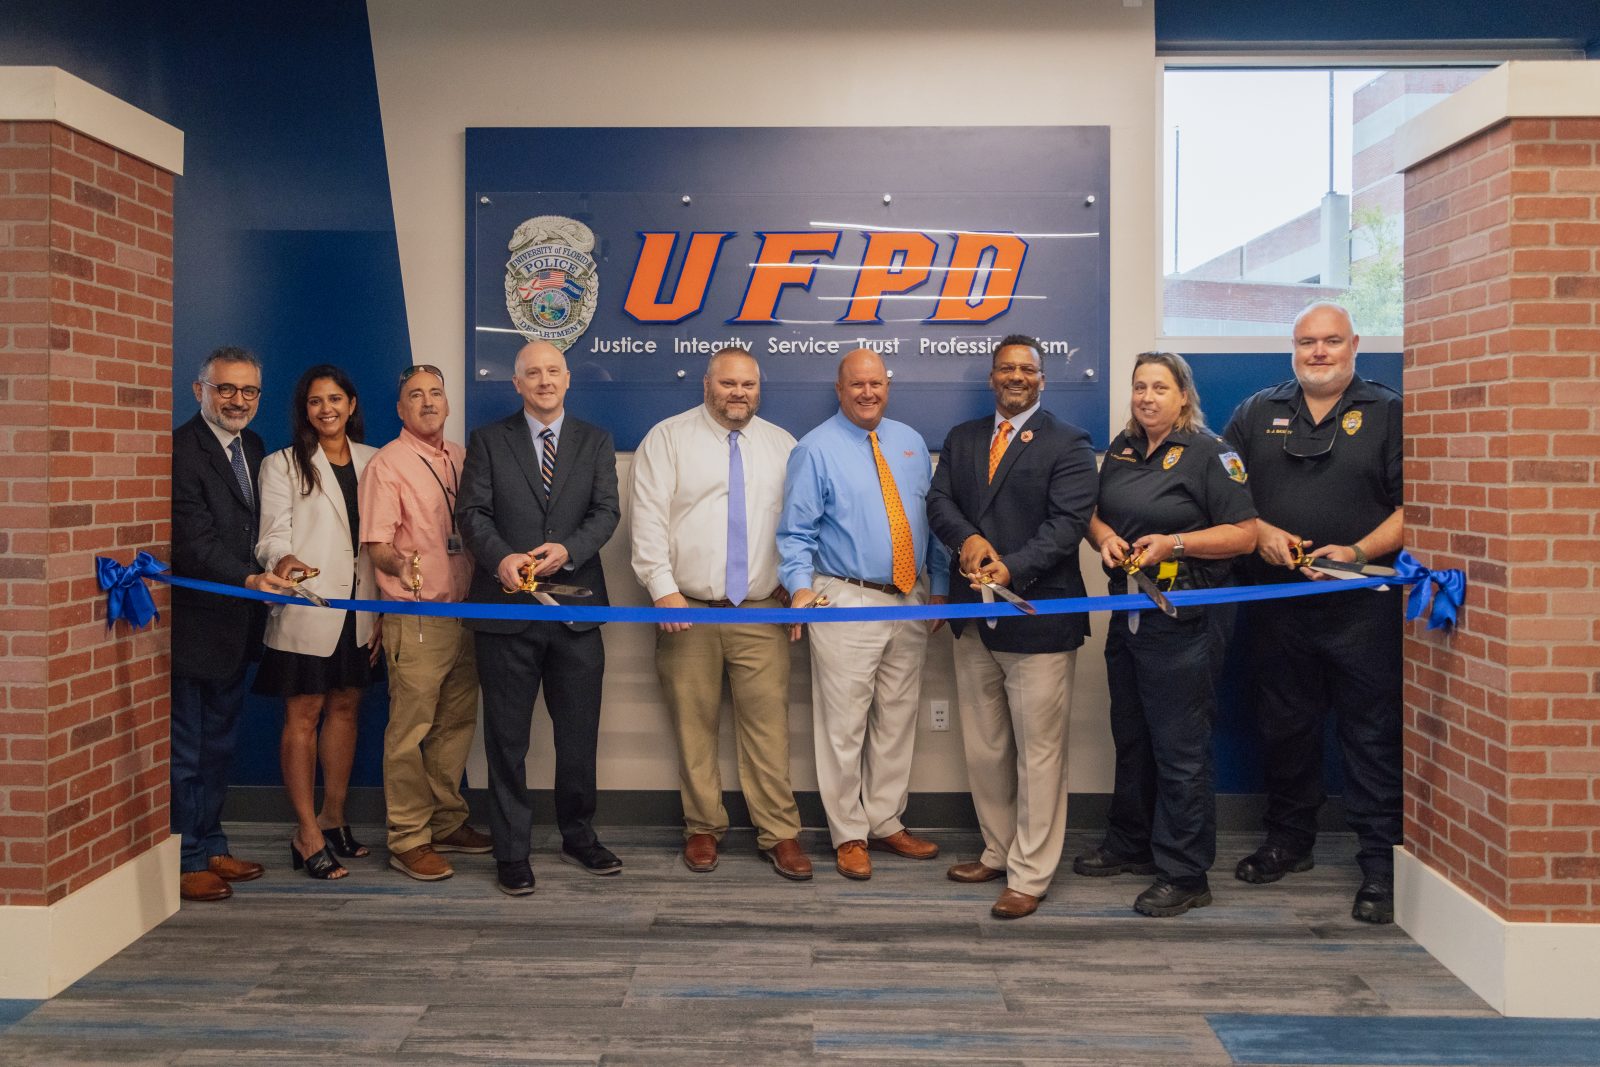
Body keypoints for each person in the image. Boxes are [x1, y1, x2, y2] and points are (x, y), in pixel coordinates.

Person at [1222, 302, 1405, 925]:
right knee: (1285, 729)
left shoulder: (1389, 412)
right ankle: (1288, 841)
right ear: (1293, 348)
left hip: (1363, 608)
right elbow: (1223, 496)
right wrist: (1261, 533)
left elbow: (1417, 506)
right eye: (1307, 342)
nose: (1318, 352)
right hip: (1280, 606)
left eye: (1330, 341)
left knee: (1372, 735)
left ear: (1354, 345)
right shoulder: (1256, 412)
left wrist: (1358, 552)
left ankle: (1381, 864)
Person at [1074, 351, 1256, 917]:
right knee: (1131, 733)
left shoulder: (1211, 453)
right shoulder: (1123, 448)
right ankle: (1131, 842)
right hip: (1129, 609)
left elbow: (1245, 534)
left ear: (1183, 396)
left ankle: (1184, 871)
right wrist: (1104, 538)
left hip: (1186, 617)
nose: (1146, 397)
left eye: (1159, 387)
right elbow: (1092, 513)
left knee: (1180, 748)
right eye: (1139, 387)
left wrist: (1175, 543)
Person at [927, 334, 1097, 919]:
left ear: (1042, 380)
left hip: (1038, 619)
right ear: (992, 377)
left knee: (1039, 756)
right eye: (1006, 368)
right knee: (986, 749)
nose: (1016, 377)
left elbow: (1067, 525)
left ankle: (1030, 874)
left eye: (1027, 369)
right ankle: (998, 852)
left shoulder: (1069, 443)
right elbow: (939, 503)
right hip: (974, 620)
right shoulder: (963, 438)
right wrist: (969, 540)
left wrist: (1011, 568)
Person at [629, 347, 811, 881]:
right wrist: (662, 590)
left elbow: (799, 527)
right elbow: (647, 521)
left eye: (748, 385)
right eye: (728, 383)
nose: (739, 393)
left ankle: (779, 833)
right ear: (706, 384)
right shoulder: (668, 438)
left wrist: (794, 587)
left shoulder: (783, 445)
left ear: (759, 389)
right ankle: (703, 827)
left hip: (762, 610)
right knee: (694, 726)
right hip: (686, 609)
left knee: (769, 729)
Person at [457, 340, 622, 896]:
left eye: (553, 371)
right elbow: (471, 513)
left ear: (568, 378)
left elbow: (606, 512)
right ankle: (511, 851)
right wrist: (501, 558)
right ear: (517, 383)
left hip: (576, 613)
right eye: (533, 373)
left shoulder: (595, 441)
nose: (544, 380)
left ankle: (579, 836)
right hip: (505, 613)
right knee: (507, 741)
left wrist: (569, 550)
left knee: (578, 737)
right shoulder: (487, 441)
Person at [778, 348, 950, 881]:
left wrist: (940, 587)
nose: (868, 392)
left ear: (887, 387)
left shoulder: (911, 443)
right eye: (857, 384)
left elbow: (932, 522)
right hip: (845, 598)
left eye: (876, 383)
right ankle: (849, 833)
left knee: (897, 718)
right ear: (840, 388)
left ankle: (885, 820)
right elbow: (795, 533)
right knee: (844, 725)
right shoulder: (815, 449)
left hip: (910, 597)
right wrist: (799, 590)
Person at [170, 346, 296, 902]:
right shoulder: (180, 450)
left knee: (219, 747)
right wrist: (249, 579)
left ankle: (212, 844)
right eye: (225, 389)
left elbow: (254, 532)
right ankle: (185, 858)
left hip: (236, 629)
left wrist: (277, 565)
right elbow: (192, 543)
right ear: (200, 391)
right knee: (187, 750)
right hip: (195, 628)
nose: (237, 400)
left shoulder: (254, 446)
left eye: (248, 391)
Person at [359, 364, 492, 882]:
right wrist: (402, 566)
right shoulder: (387, 464)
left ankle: (446, 821)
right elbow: (377, 545)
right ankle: (409, 838)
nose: (428, 402)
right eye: (415, 395)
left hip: (467, 613)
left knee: (455, 726)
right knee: (410, 732)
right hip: (417, 615)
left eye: (436, 393)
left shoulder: (462, 456)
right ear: (400, 409)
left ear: (448, 403)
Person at [253, 364, 381, 880]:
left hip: (360, 610)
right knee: (303, 715)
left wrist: (380, 611)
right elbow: (271, 536)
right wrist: (282, 561)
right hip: (307, 605)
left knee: (346, 708)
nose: (326, 409)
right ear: (304, 411)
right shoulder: (282, 464)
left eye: (334, 399)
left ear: (351, 404)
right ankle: (306, 832)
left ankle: (334, 818)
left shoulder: (375, 460)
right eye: (315, 401)